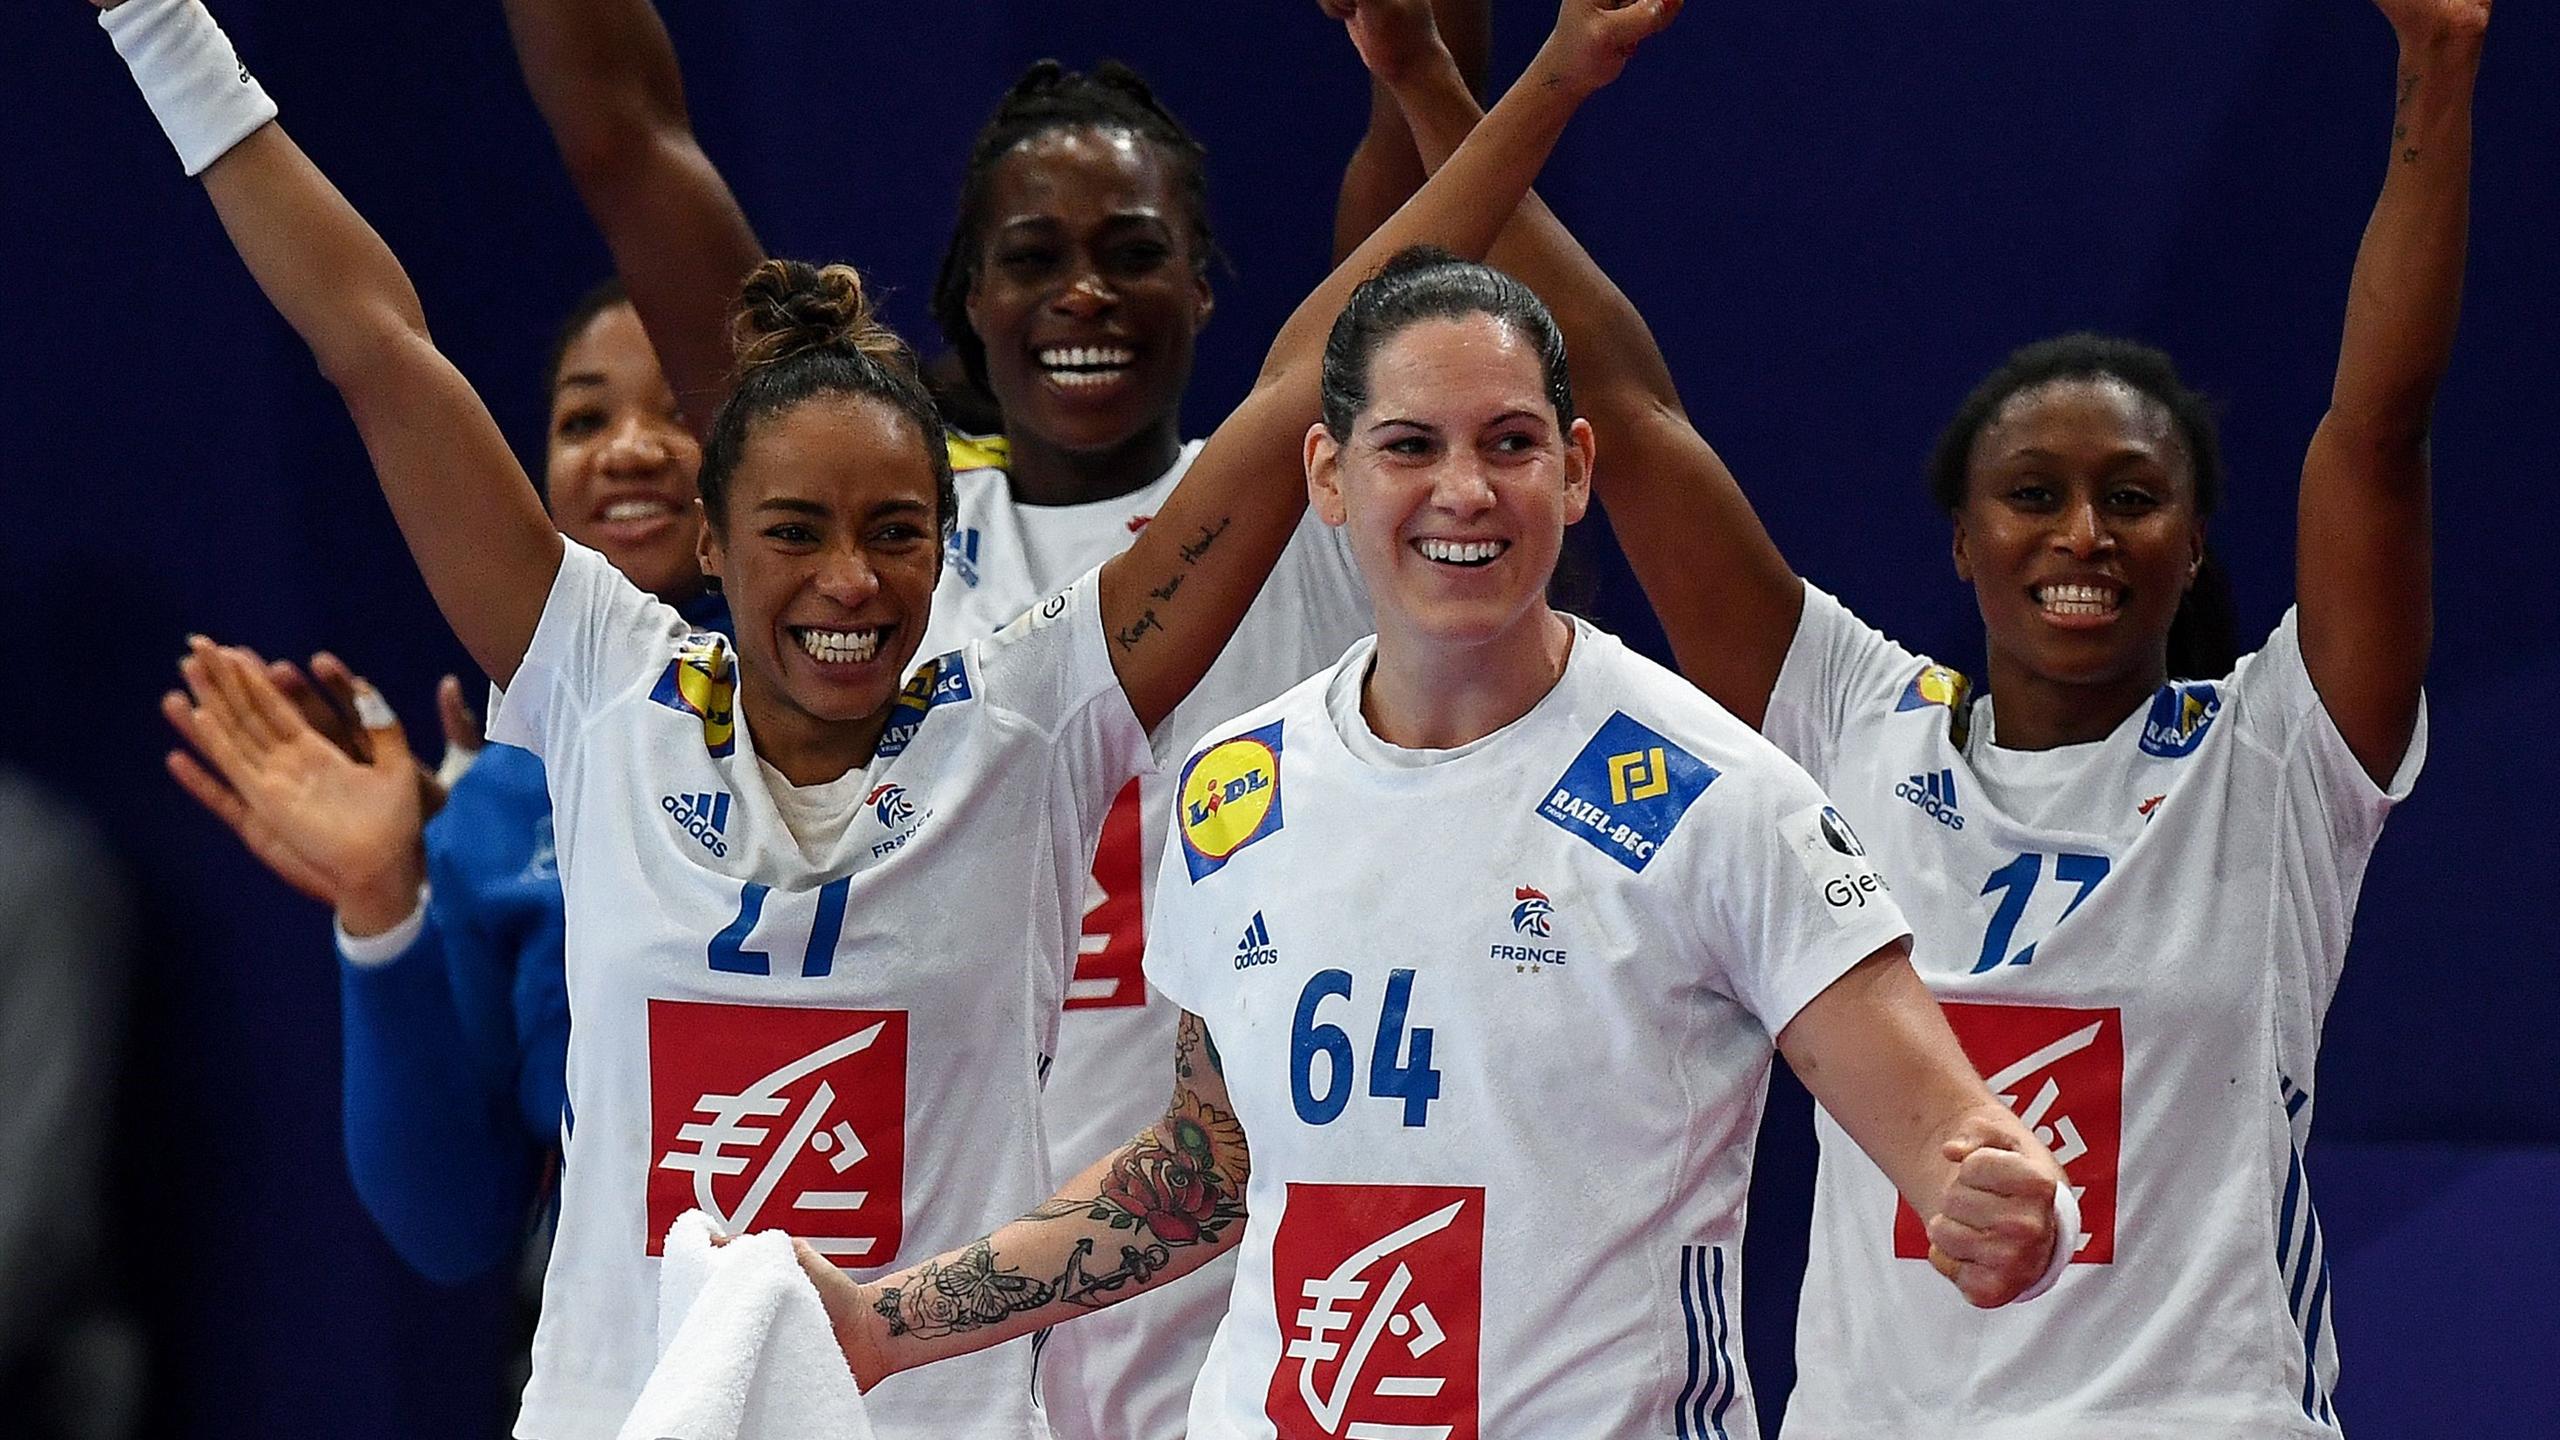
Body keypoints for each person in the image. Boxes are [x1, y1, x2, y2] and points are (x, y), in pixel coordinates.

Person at [85, 0, 1633, 1435]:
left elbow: (1316, 363)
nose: (850, 581)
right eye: (794, 533)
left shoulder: (1026, 722)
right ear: (706, 540)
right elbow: (370, 337)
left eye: (898, 532)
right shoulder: (600, 679)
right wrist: (156, 23)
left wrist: (1552, 81)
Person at [781, 218, 2089, 1435]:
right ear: (1330, 477)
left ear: (1574, 472)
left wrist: (2006, 1204)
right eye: (1411, 445)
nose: (1465, 489)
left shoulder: (1715, 794)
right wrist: (887, 1324)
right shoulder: (1237, 792)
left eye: (1510, 444)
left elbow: (1954, 1136)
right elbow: (1202, 1169)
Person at [1473, 0, 2480, 1431]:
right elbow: (1628, 419)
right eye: (2034, 496)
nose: (2084, 534)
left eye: (2133, 499)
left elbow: (2378, 431)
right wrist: (1436, 84)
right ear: (1961, 541)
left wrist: (2440, 57)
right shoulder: (1844, 723)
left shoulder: (2278, 758)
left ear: (2193, 547)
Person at [493, 4, 1484, 1432]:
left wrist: (1477, 65)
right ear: (968, 296)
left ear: (1208, 287)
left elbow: (1417, 217)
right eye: (1035, 257)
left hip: (1212, 1299)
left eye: (1135, 252)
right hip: (919, 1336)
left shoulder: (1304, 510)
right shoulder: (874, 524)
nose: (1085, 293)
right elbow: (624, 143)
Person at [163, 281, 727, 1291]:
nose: (629, 448)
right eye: (583, 418)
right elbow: (452, 1226)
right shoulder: (499, 802)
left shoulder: (886, 703)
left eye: (682, 409)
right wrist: (382, 899)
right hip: (615, 1361)